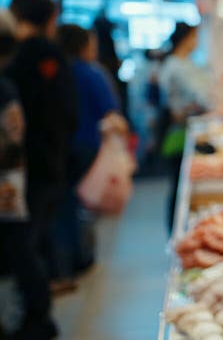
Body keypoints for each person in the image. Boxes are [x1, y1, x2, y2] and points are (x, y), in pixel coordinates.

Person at [1, 0, 77, 340]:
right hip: (48, 163)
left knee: (22, 246)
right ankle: (37, 310)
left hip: (27, 170)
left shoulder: (20, 63)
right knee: (30, 241)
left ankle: (37, 317)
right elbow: (69, 114)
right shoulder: (50, 56)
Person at [49, 25, 124, 288]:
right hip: (88, 147)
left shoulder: (56, 72)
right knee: (84, 204)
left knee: (65, 205)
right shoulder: (92, 73)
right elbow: (111, 112)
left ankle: (65, 264)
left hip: (60, 148)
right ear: (83, 46)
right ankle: (82, 257)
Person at [159, 23, 210, 231]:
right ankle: (176, 232)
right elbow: (201, 96)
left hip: (181, 128)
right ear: (186, 38)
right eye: (194, 37)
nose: (197, 42)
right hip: (180, 132)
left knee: (178, 185)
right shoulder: (177, 67)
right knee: (179, 186)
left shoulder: (179, 64)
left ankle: (175, 230)